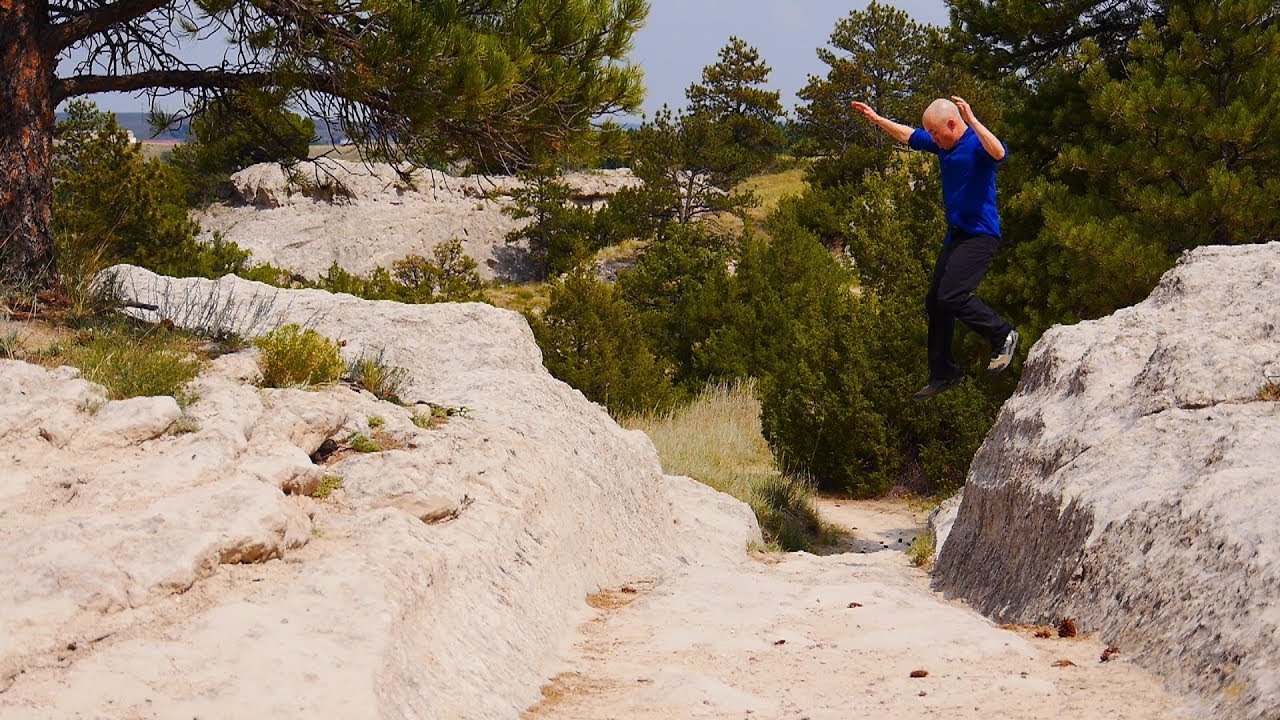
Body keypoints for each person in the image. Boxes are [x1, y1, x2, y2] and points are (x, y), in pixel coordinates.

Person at [850, 96, 1019, 401]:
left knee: (951, 296)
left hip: (981, 236)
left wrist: (973, 119)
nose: (935, 141)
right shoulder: (944, 143)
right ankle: (943, 373)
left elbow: (1000, 152)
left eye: (938, 134)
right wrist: (877, 119)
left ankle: (1002, 334)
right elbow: (909, 135)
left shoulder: (976, 146)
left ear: (953, 124)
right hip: (957, 236)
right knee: (935, 302)